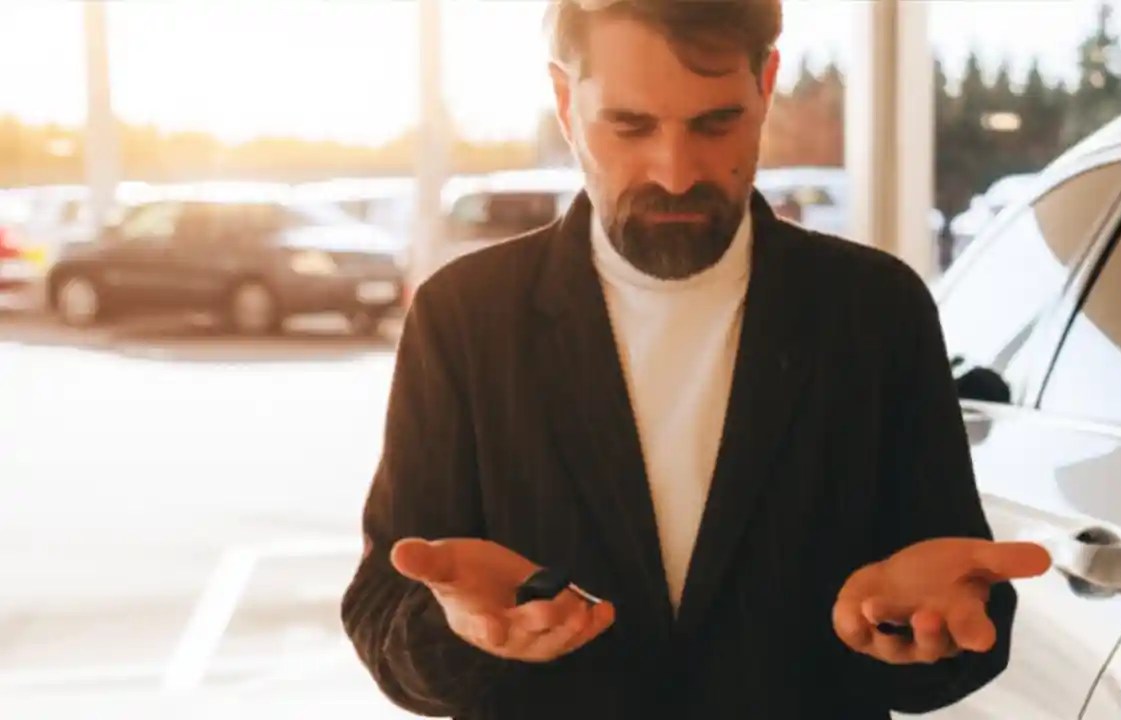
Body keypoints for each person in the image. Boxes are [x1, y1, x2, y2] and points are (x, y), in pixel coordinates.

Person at [342, 1, 1051, 717]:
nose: (676, 173)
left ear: (765, 86)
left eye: (716, 124)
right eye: (630, 126)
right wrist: (463, 632)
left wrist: (922, 634)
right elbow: (382, 615)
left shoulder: (875, 312)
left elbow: (956, 624)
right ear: (565, 101)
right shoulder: (466, 318)